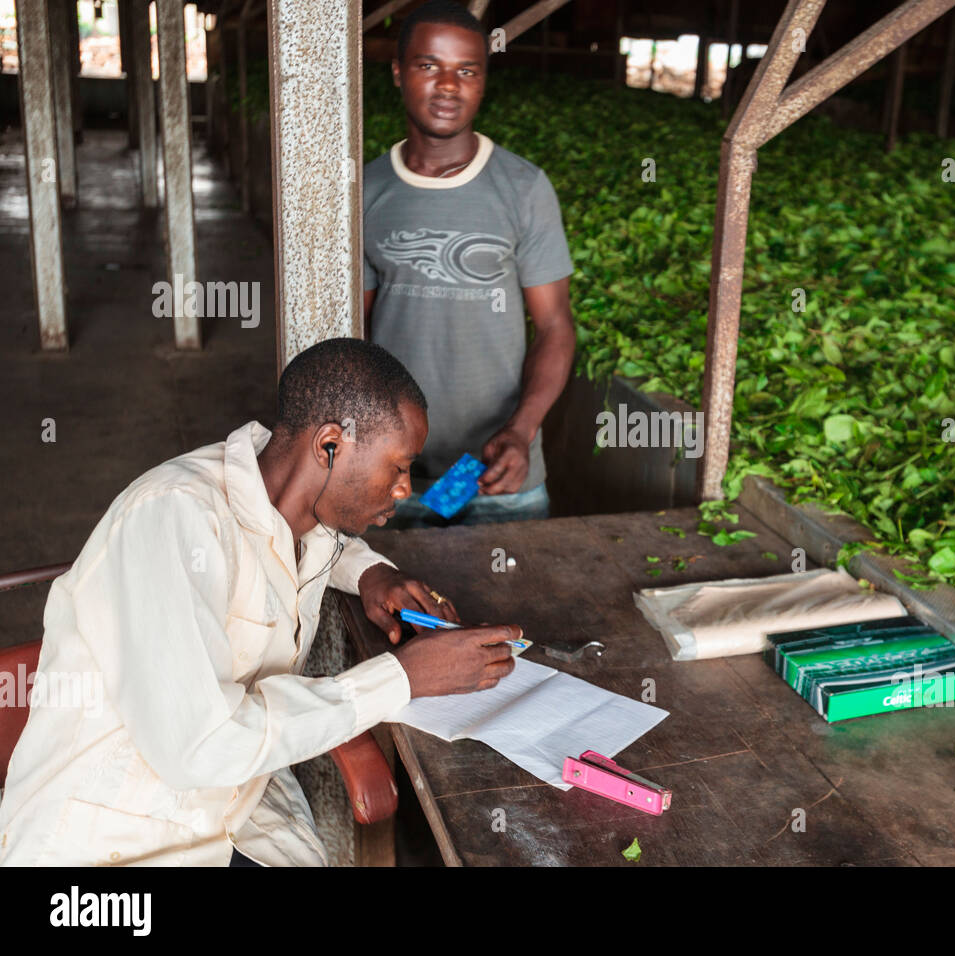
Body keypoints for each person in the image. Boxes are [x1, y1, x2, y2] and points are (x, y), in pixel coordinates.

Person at [0, 338, 518, 866]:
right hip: (115, 842)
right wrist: (402, 678)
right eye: (399, 466)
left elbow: (295, 540)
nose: (405, 488)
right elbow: (198, 748)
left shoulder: (300, 510)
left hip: (238, 822)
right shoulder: (171, 519)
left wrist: (371, 572)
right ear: (329, 446)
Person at [363, 0, 576, 527]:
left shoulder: (524, 187)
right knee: (402, 608)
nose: (449, 85)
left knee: (508, 606)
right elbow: (353, 333)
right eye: (429, 65)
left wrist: (521, 431)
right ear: (397, 72)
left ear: (483, 81)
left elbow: (555, 326)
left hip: (493, 475)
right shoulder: (368, 191)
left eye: (467, 70)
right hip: (395, 478)